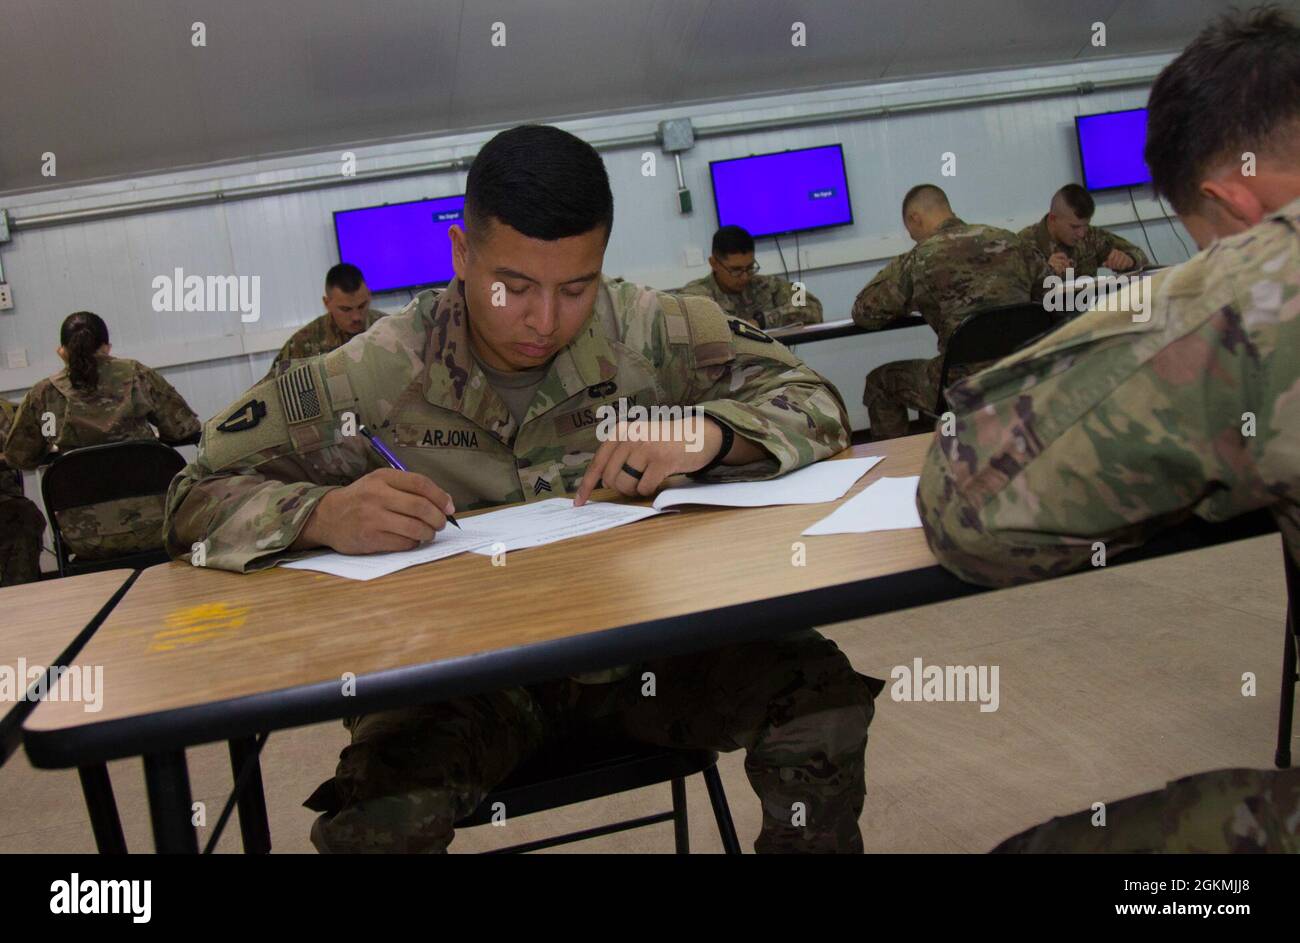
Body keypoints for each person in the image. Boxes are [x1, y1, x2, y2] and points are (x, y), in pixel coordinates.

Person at [165, 124, 880, 854]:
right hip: (466, 680)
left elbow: (813, 393)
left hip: (650, 650)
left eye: (576, 287)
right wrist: (323, 511)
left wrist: (712, 433)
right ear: (461, 253)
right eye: (514, 286)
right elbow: (194, 489)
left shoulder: (649, 327)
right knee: (379, 812)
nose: (544, 320)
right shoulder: (371, 372)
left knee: (822, 699)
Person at [918, 5, 1300, 852]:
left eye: (1210, 244)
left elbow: (970, 501)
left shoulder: (1259, 289)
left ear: (1233, 205)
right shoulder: (1028, 243)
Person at [851, 184, 1050, 439]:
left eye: (910, 230)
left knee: (880, 383)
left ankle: (899, 468)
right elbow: (1051, 297)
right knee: (932, 367)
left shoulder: (919, 258)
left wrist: (913, 302)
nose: (912, 236)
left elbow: (865, 313)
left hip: (961, 382)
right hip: (1023, 371)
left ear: (914, 218)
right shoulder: (1012, 241)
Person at [6, 312, 200, 560]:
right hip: (157, 526)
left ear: (62, 351)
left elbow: (21, 457)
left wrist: (52, 441)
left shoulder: (45, 395)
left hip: (86, 537)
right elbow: (182, 429)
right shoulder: (137, 376)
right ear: (107, 348)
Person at [675, 225, 823, 329]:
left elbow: (812, 307)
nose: (745, 277)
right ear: (714, 263)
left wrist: (763, 321)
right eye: (736, 270)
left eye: (750, 267)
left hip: (773, 369)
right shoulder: (693, 297)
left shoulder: (767, 285)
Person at [268, 263, 387, 372]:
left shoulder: (388, 330)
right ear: (326, 303)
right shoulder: (302, 344)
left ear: (369, 296)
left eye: (362, 306)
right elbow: (275, 389)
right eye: (346, 309)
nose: (356, 317)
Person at [1018, 183, 1149, 278]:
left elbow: (1141, 257)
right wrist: (1044, 271)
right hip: (1046, 314)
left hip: (1088, 312)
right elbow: (1012, 292)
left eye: (1085, 225)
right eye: (1074, 227)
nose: (1081, 233)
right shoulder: (1025, 243)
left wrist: (1129, 261)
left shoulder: (1092, 236)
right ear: (1053, 219)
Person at [0, 397, 45, 585]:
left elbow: (23, 448)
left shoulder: (8, 409)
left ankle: (19, 596)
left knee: (22, 515)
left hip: (7, 507)